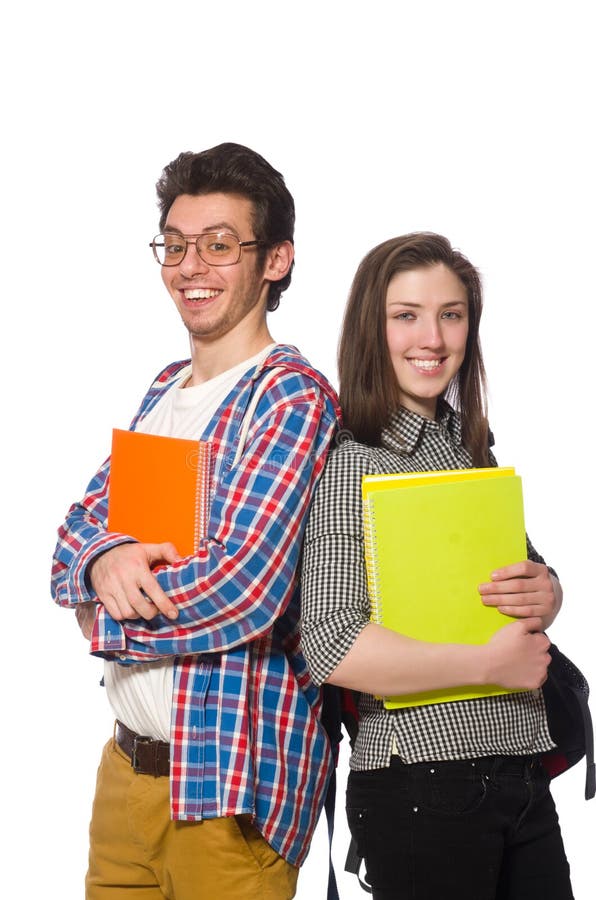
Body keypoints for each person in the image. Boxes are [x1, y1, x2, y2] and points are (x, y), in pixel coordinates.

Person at [51, 142, 341, 900]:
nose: (191, 267)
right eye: (175, 245)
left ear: (274, 260)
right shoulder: (162, 392)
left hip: (227, 795)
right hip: (126, 776)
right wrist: (103, 560)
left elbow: (244, 589)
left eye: (220, 245)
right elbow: (75, 534)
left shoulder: (290, 398)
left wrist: (100, 617)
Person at [300, 232, 574, 899]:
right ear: (373, 326)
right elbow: (330, 645)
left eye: (451, 314)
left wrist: (550, 591)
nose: (433, 336)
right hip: (422, 782)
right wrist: (486, 665)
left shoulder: (465, 448)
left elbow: (523, 575)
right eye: (407, 315)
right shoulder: (352, 461)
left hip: (518, 769)